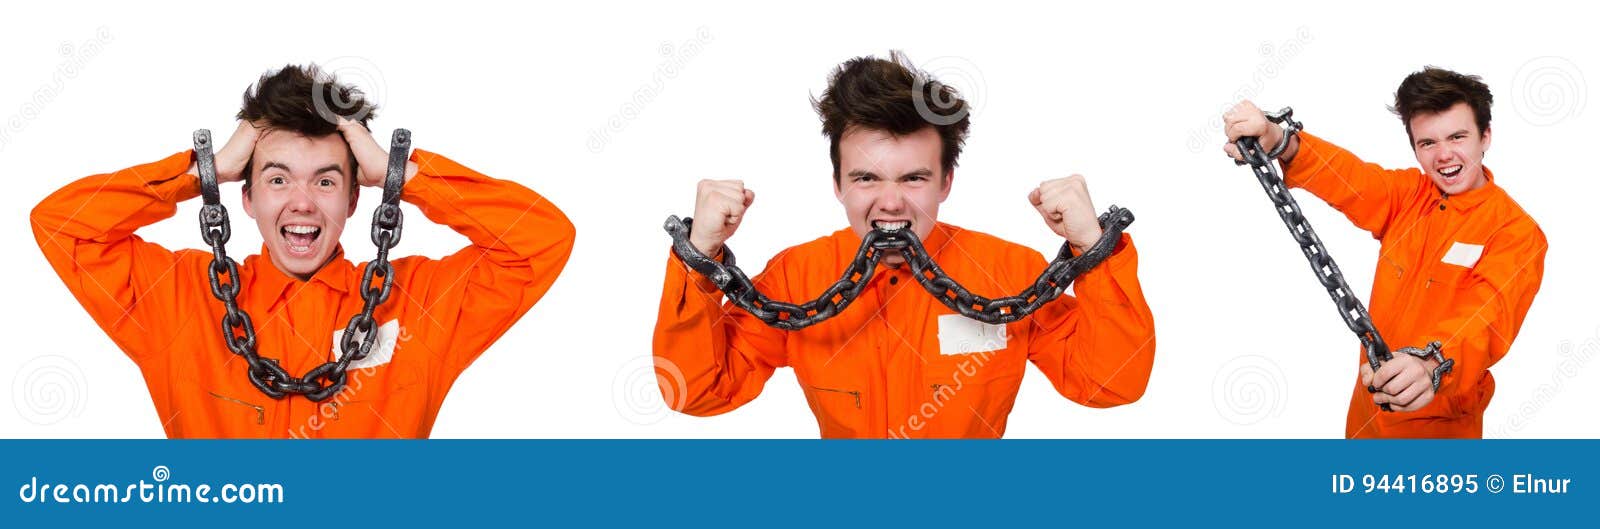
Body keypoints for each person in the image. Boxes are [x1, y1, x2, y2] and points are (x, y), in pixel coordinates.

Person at [31, 64, 576, 438]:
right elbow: (62, 225)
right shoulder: (175, 300)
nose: (302, 204)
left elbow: (542, 239)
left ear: (355, 197)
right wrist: (203, 171)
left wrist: (403, 176)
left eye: (324, 181)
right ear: (243, 198)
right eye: (276, 179)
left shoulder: (420, 306)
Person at [653, 51, 1156, 438]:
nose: (890, 203)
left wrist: (1092, 250)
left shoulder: (1010, 272)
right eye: (866, 178)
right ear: (837, 184)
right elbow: (698, 391)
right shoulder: (796, 277)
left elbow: (1108, 383)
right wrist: (701, 258)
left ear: (945, 183)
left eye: (914, 178)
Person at [1222, 67, 1547, 438]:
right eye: (1428, 143)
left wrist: (1432, 363)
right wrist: (1279, 140)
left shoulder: (1515, 232)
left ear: (1485, 136)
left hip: (1437, 430)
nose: (1444, 155)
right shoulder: (1408, 197)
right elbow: (1351, 179)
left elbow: (1487, 316)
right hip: (1366, 419)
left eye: (1457, 137)